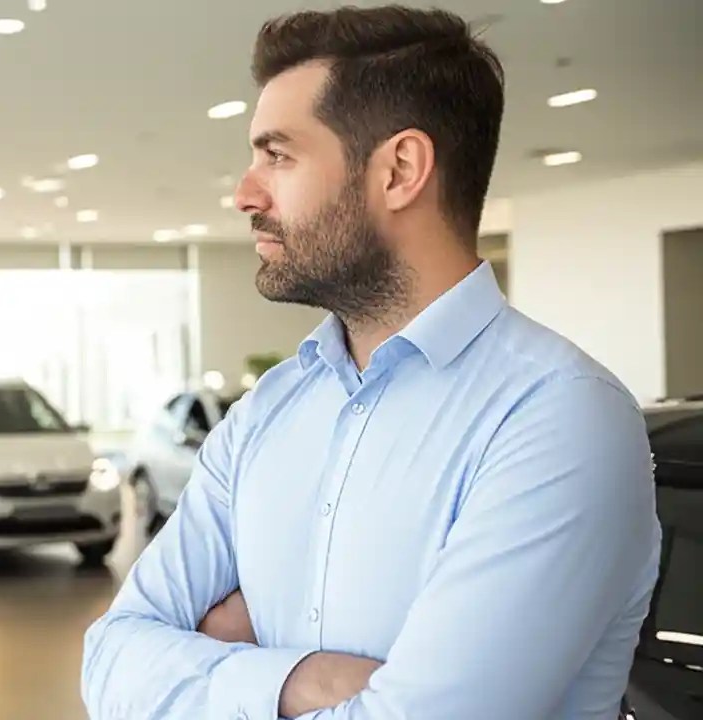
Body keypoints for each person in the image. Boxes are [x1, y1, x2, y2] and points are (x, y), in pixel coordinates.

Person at [80, 6, 661, 720]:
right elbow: (110, 661)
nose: (245, 192)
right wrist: (304, 680)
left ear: (399, 171)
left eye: (278, 155)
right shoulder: (270, 409)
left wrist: (215, 663)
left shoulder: (559, 415)